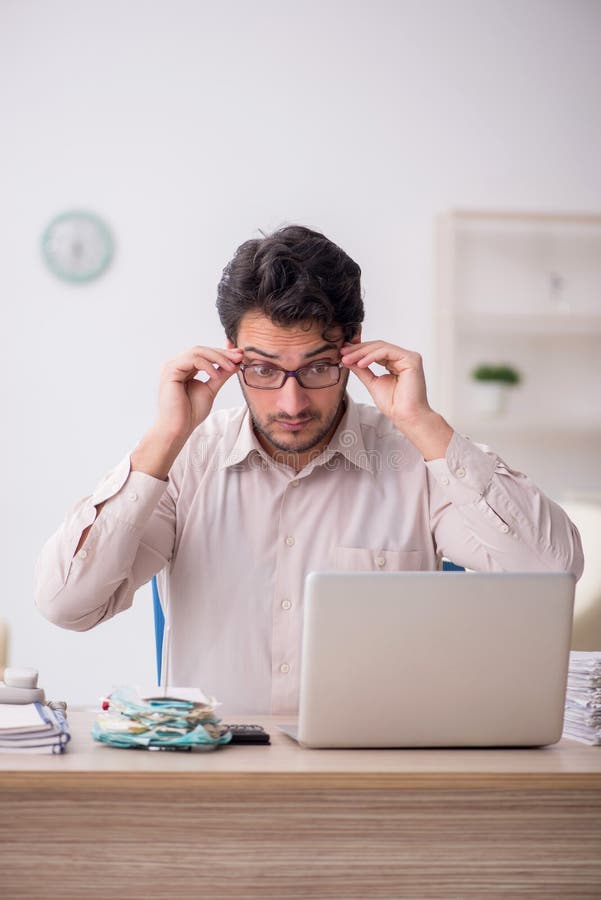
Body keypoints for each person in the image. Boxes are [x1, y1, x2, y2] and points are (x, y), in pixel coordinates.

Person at [35, 224, 584, 715]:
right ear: (231, 356)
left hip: (376, 782)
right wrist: (164, 437)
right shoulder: (185, 462)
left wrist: (421, 421)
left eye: (318, 367)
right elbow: (68, 606)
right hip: (214, 782)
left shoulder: (418, 459)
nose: (291, 404)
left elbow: (552, 573)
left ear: (353, 347)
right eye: (264, 370)